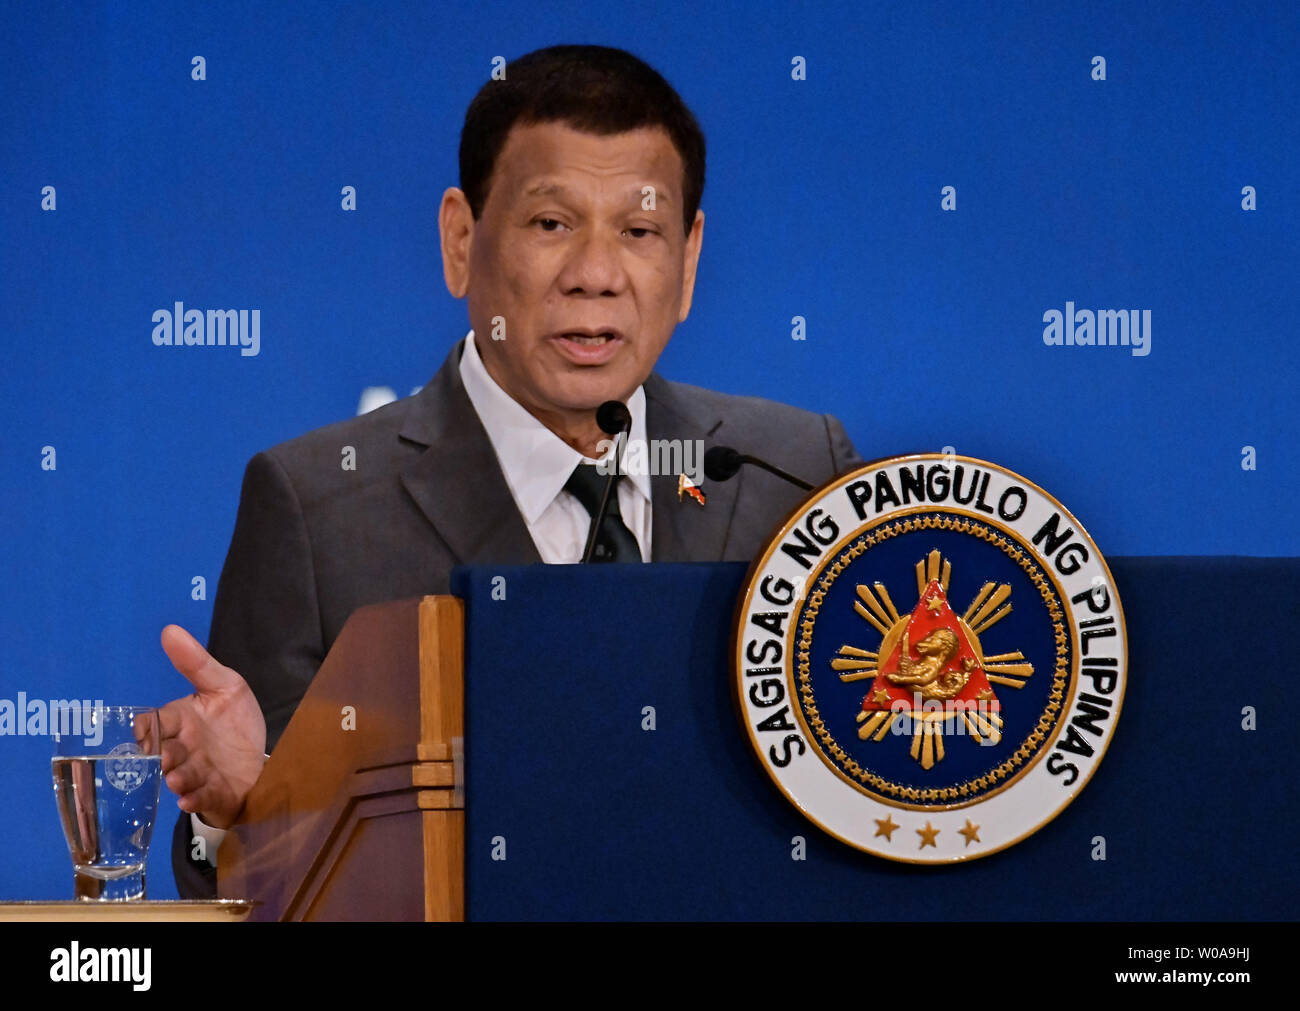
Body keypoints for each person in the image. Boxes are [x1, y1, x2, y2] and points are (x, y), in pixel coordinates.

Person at [158, 44, 864, 899]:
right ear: (462, 240)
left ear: (688, 256)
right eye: (551, 224)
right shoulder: (316, 508)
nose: (596, 277)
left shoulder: (793, 474)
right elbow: (240, 893)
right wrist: (236, 810)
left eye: (639, 231)